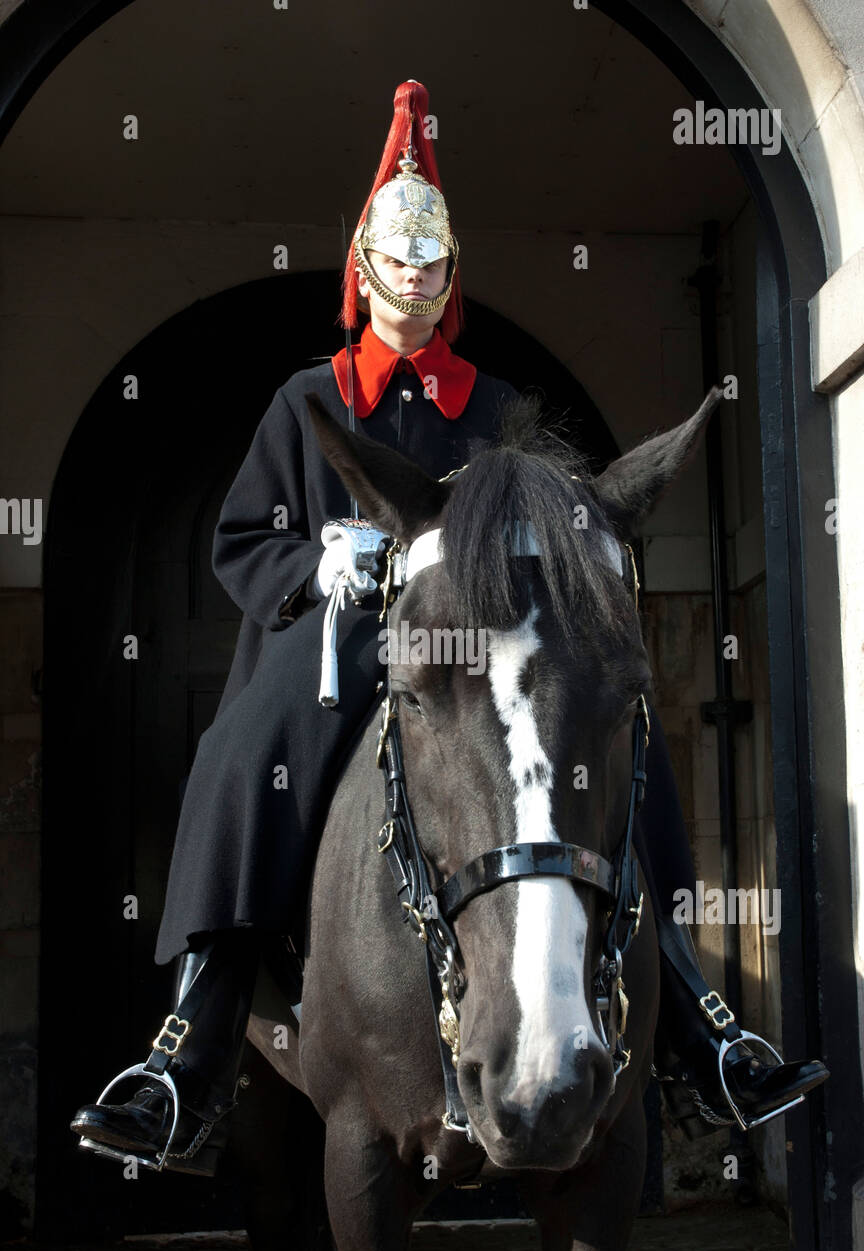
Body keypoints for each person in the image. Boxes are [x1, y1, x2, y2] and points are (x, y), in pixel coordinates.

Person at [71, 80, 827, 1178]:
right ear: (365, 271)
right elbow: (241, 542)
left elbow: (530, 524)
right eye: (400, 265)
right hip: (337, 632)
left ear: (450, 274)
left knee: (617, 728)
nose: (417, 284)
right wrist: (321, 559)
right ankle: (190, 1034)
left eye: (434, 267)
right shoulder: (306, 399)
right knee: (239, 749)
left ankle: (695, 1016)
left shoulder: (490, 400)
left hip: (470, 639)